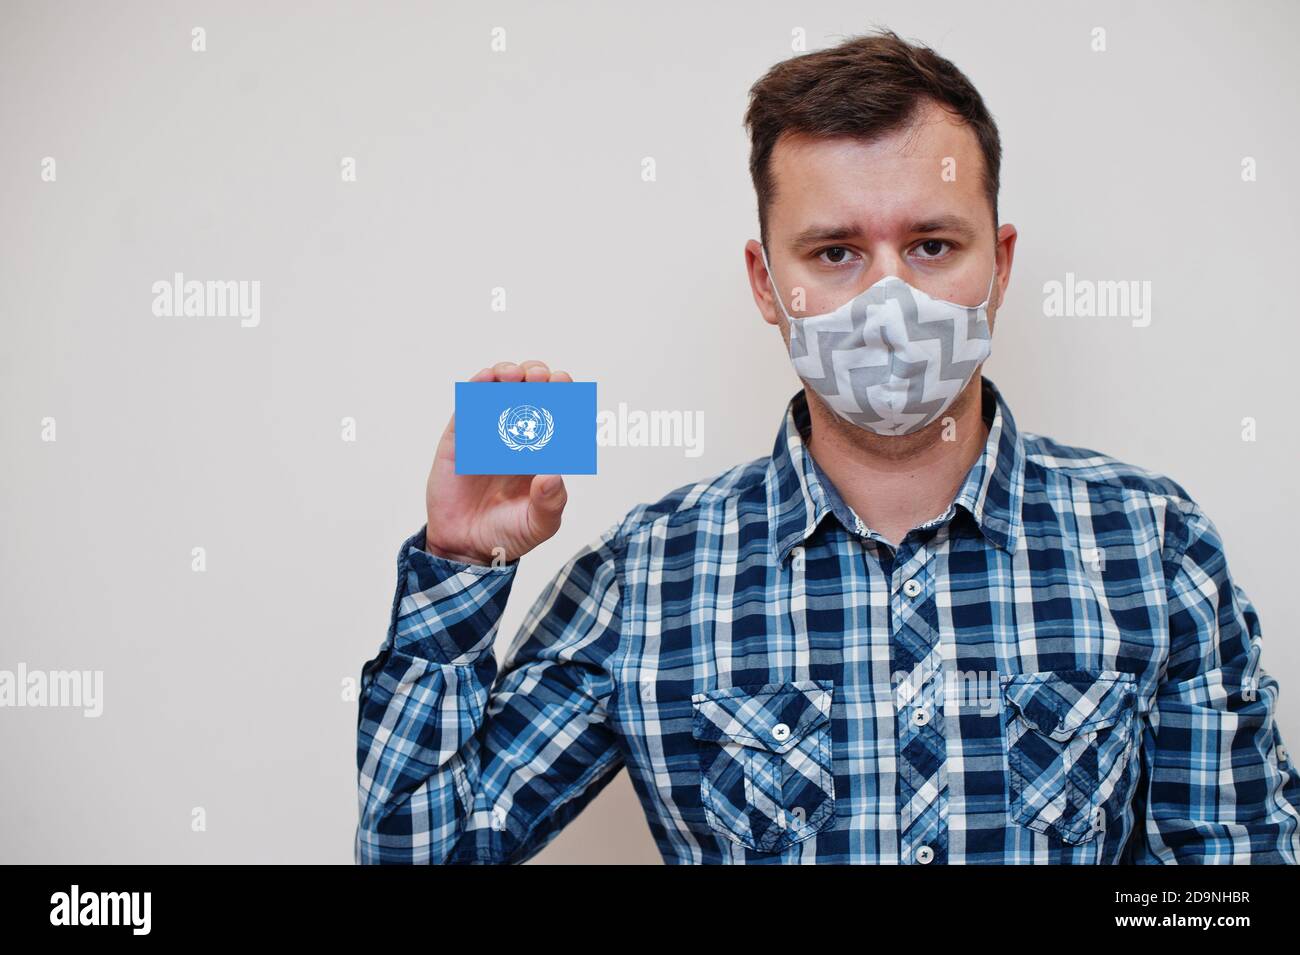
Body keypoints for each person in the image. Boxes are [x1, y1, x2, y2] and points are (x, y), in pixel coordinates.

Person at [354, 28, 1300, 864]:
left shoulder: (1153, 543)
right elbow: (417, 851)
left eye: (931, 244)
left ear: (999, 264)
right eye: (836, 252)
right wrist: (461, 565)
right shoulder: (647, 578)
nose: (890, 299)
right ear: (767, 284)